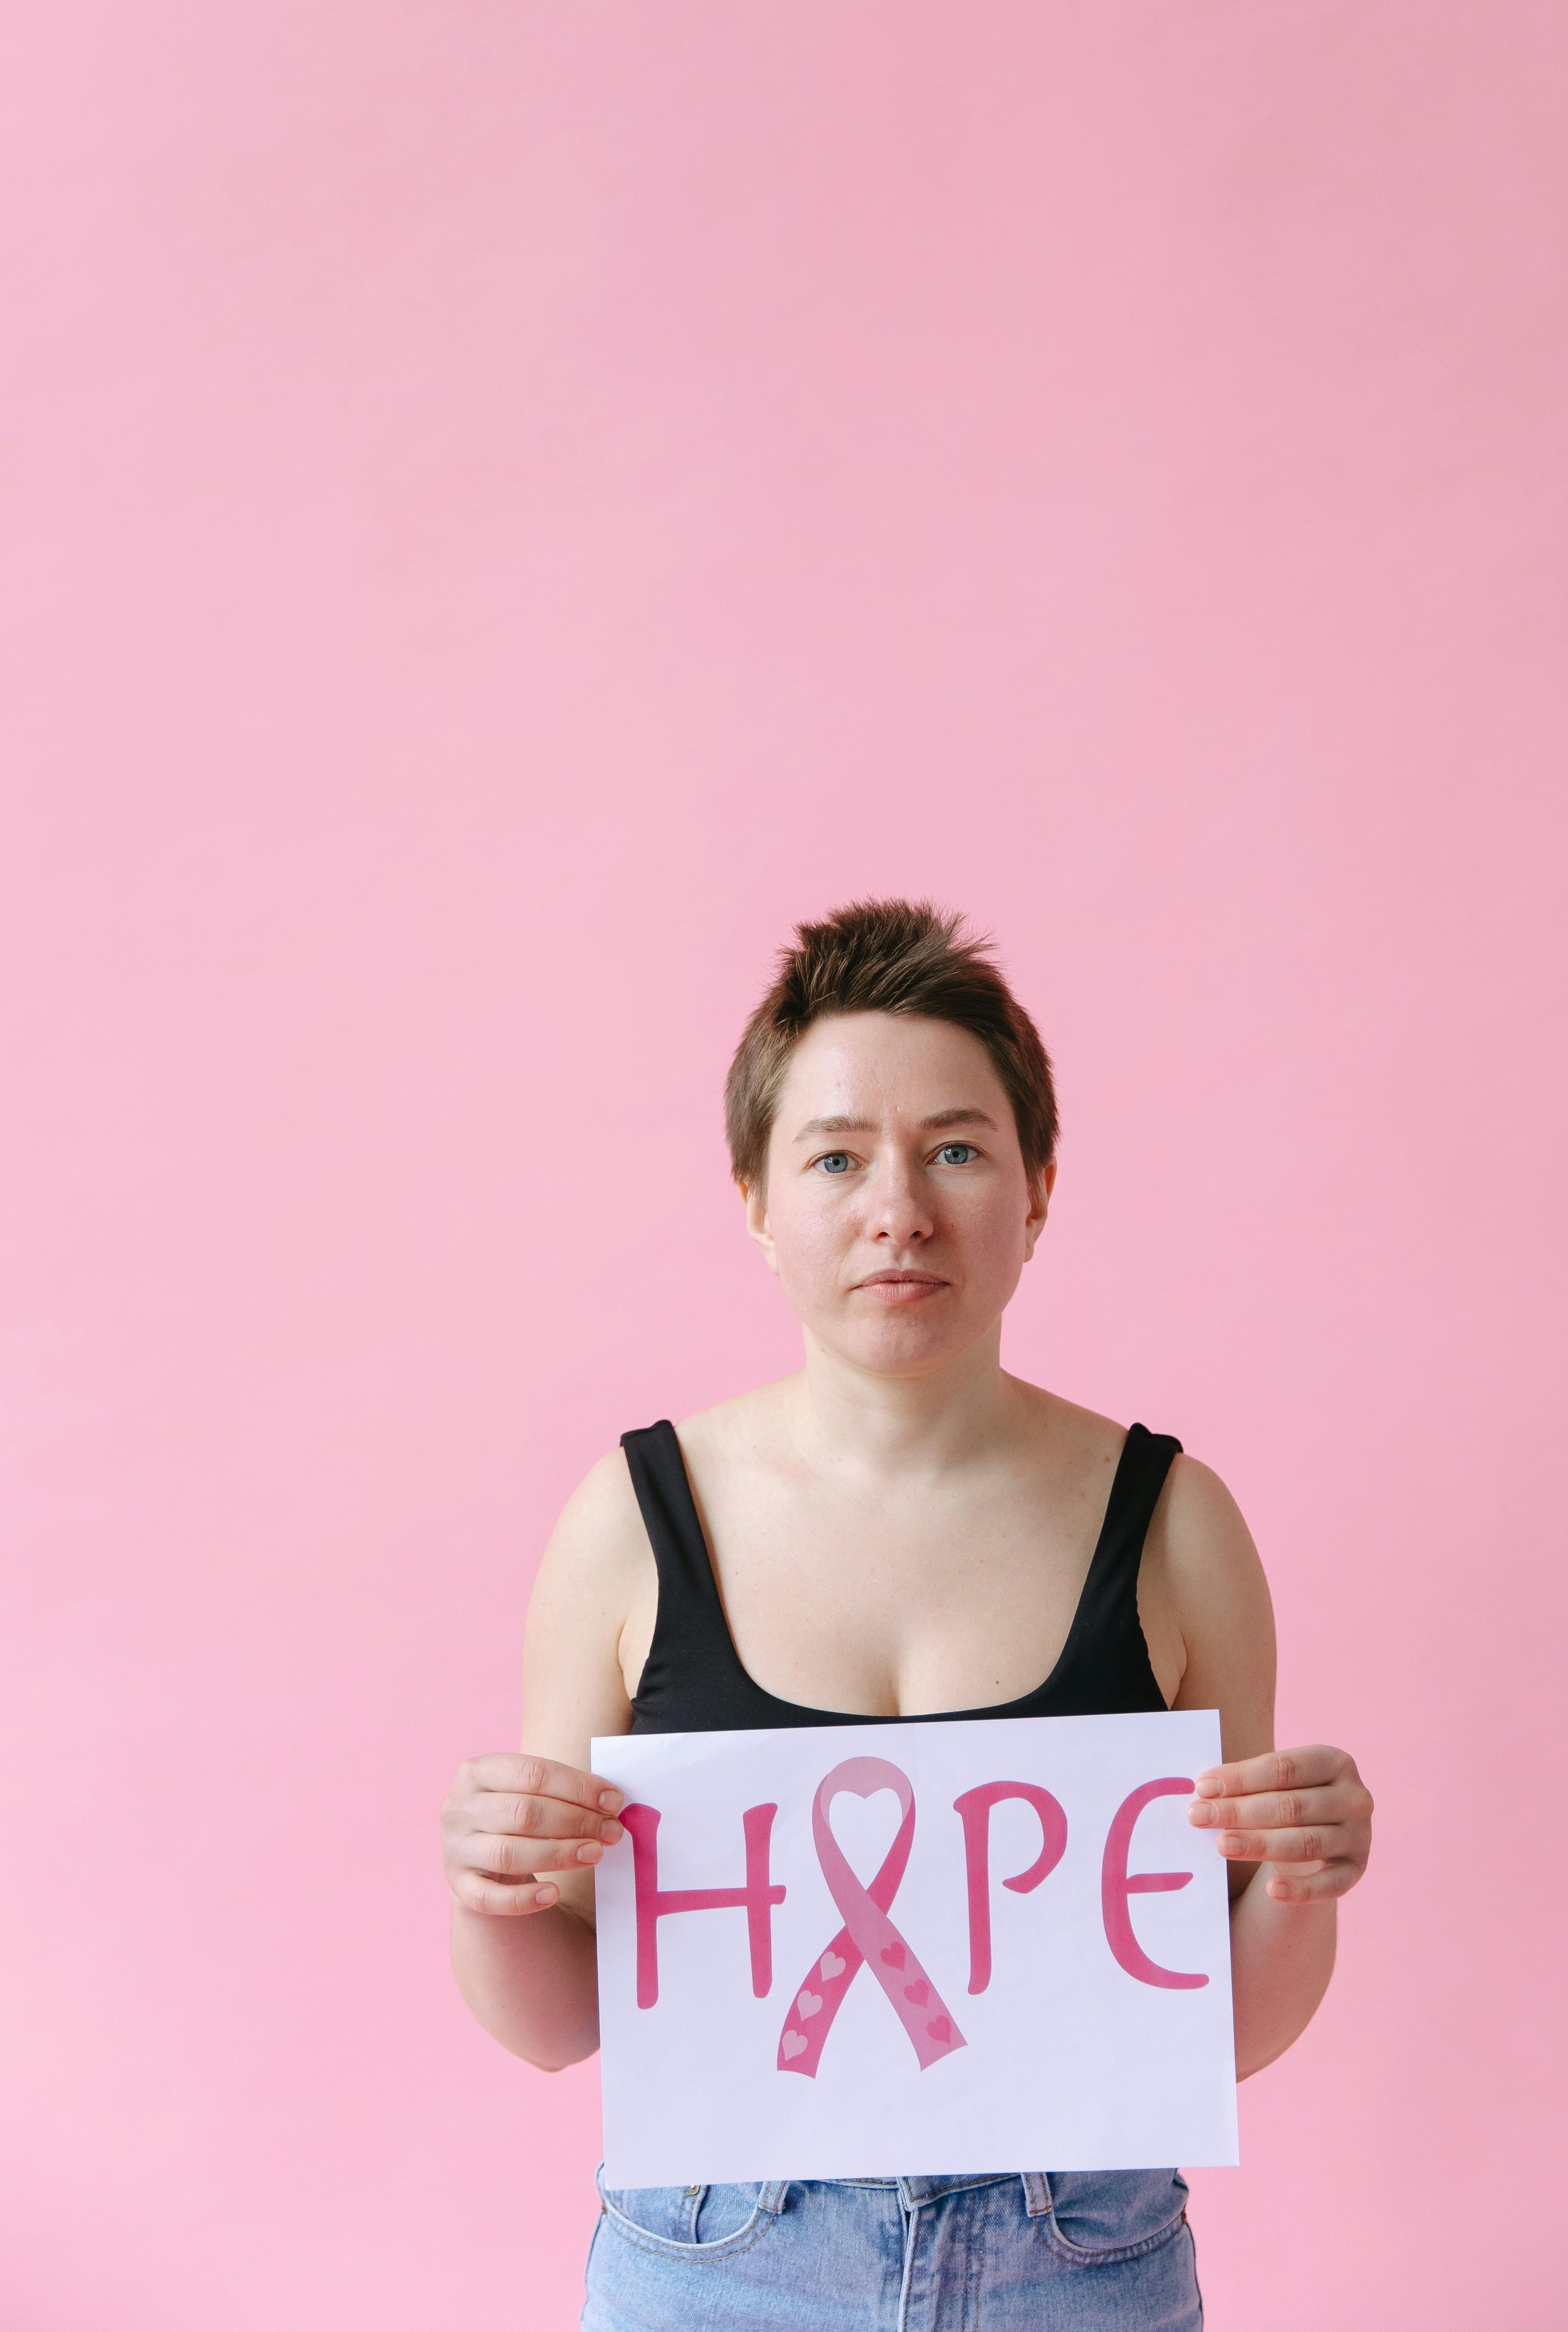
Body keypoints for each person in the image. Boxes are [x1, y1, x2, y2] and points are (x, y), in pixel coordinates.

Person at [440, 899, 1374, 2328]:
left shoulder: (1175, 1525)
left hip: (1084, 2264)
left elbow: (1224, 2029)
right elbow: (560, 2022)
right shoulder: (630, 1522)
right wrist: (487, 1881)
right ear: (755, 1200)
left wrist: (1300, 1875)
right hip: (718, 2266)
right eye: (834, 1157)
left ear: (1037, 1187)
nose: (899, 1209)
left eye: (955, 1148)